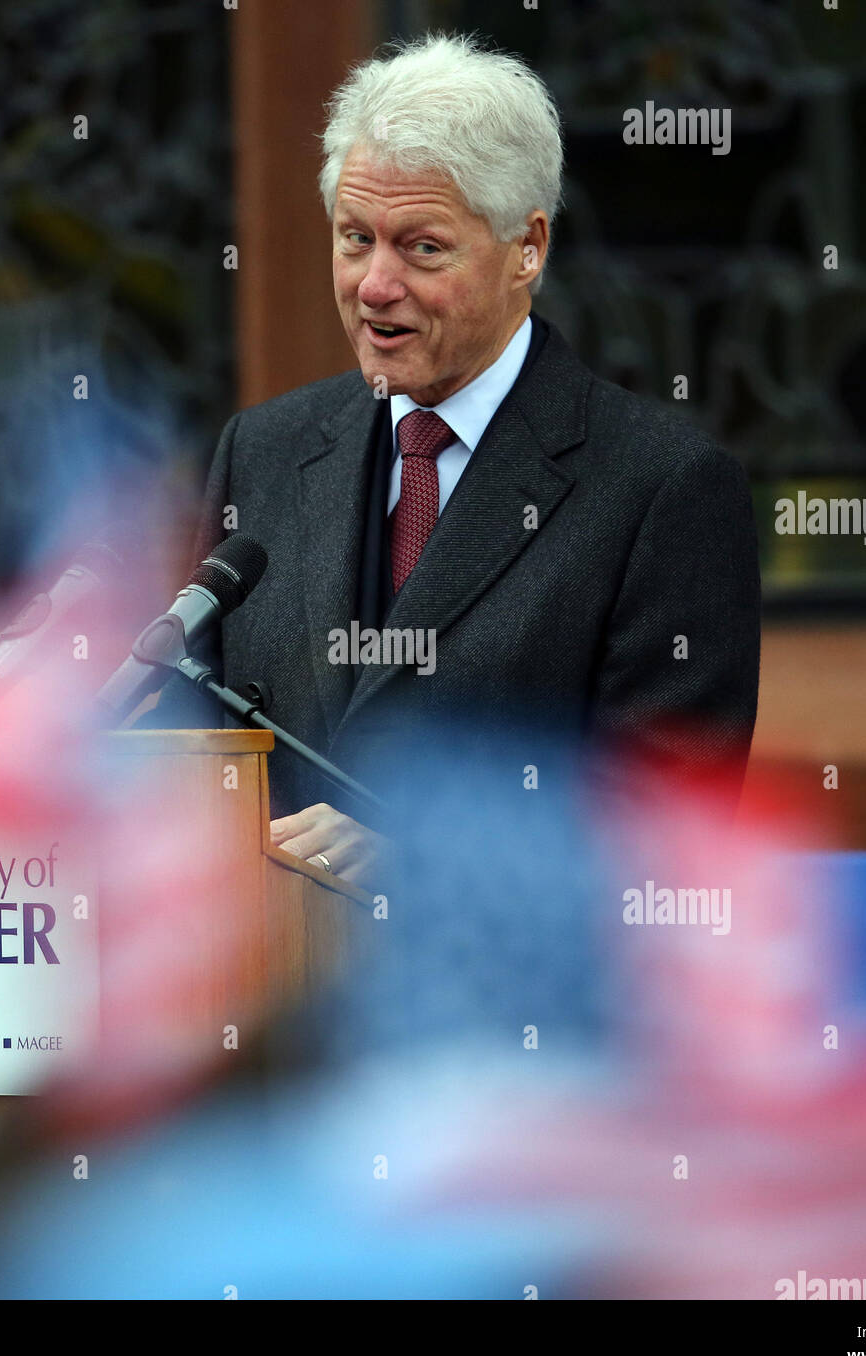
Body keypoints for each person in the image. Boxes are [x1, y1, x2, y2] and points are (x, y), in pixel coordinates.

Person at [148, 33, 760, 889]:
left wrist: (428, 870)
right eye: (354, 238)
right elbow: (178, 744)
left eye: (422, 247)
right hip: (280, 1001)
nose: (374, 284)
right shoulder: (264, 451)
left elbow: (668, 830)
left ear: (528, 248)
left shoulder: (663, 489)